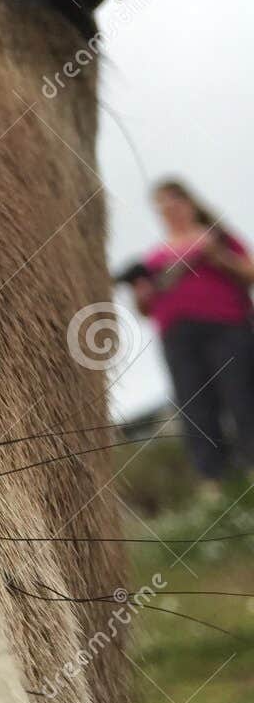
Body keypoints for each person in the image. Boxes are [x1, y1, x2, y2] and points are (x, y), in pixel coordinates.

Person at [127, 179, 254, 494]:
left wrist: (216, 255)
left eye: (174, 199)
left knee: (241, 394)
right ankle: (215, 481)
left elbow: (249, 272)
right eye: (161, 203)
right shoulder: (154, 257)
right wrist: (142, 293)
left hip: (227, 325)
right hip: (177, 335)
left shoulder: (218, 237)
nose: (169, 207)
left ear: (189, 202)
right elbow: (144, 307)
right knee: (195, 405)